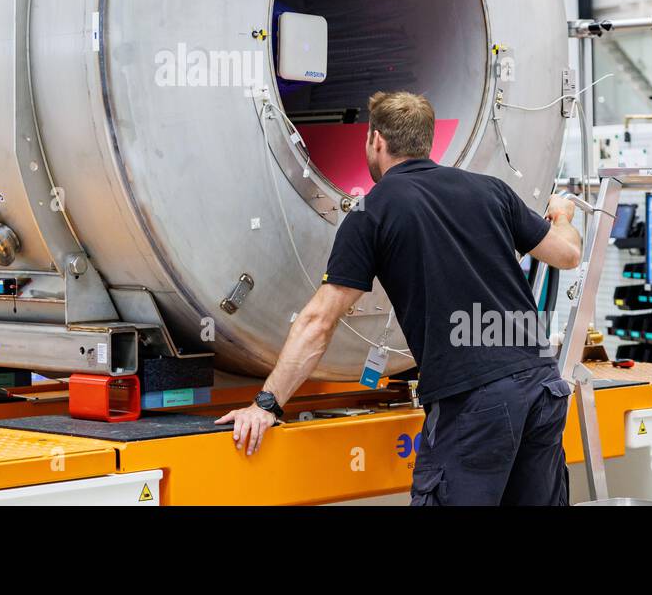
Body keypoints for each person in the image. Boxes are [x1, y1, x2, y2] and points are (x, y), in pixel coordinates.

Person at [215, 90, 583, 505]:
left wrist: (267, 403)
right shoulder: (490, 191)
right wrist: (564, 216)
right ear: (429, 140)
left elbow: (320, 320)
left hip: (476, 398)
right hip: (542, 386)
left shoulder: (371, 211)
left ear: (376, 140)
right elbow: (568, 253)